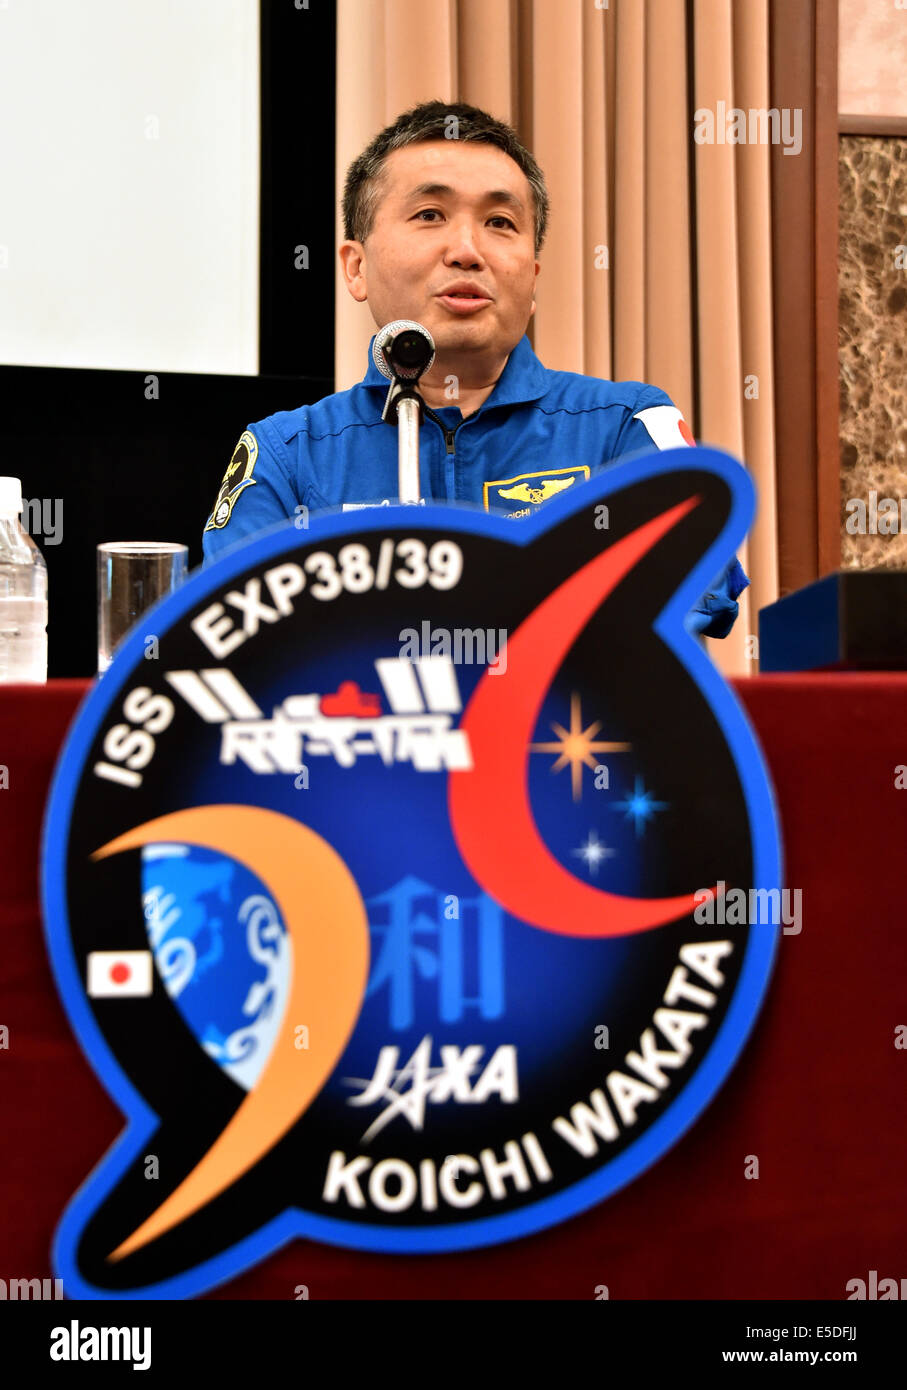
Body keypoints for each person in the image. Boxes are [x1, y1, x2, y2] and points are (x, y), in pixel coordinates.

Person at [203, 101, 748, 638]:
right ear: (357, 266)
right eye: (430, 215)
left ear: (532, 279)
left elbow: (693, 587)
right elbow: (237, 637)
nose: (467, 250)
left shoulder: (625, 427)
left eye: (500, 222)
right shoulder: (287, 453)